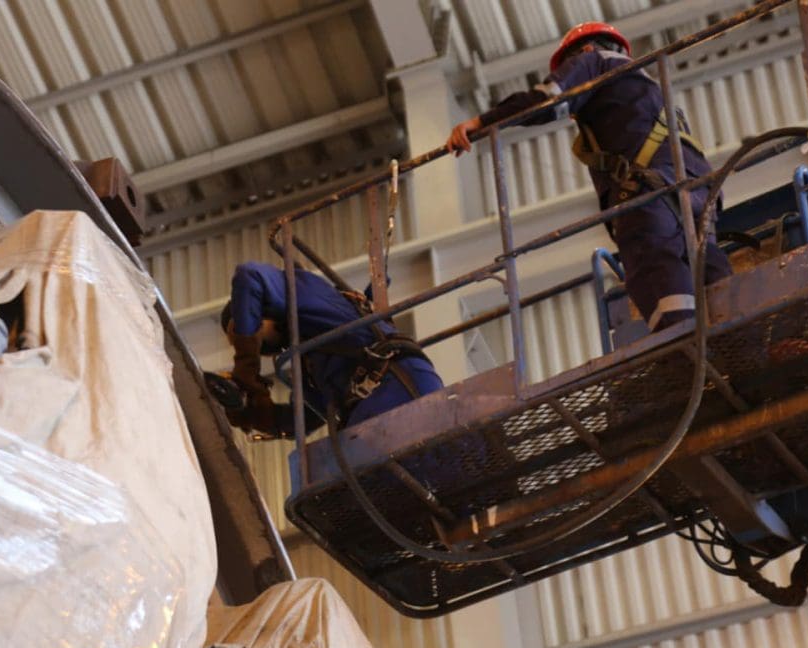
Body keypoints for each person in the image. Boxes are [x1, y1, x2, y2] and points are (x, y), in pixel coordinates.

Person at [446, 22, 732, 331]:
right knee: (709, 269)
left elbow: (548, 99)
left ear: (584, 49)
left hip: (650, 197)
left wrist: (480, 122)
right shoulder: (647, 84)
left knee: (655, 273)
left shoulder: (593, 61)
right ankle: (745, 342)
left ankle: (687, 358)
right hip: (701, 196)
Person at [220, 261, 443, 438]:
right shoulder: (308, 356)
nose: (261, 348)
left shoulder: (304, 291)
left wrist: (246, 364)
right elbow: (306, 419)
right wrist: (256, 415)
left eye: (245, 332)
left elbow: (249, 275)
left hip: (395, 385)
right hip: (370, 406)